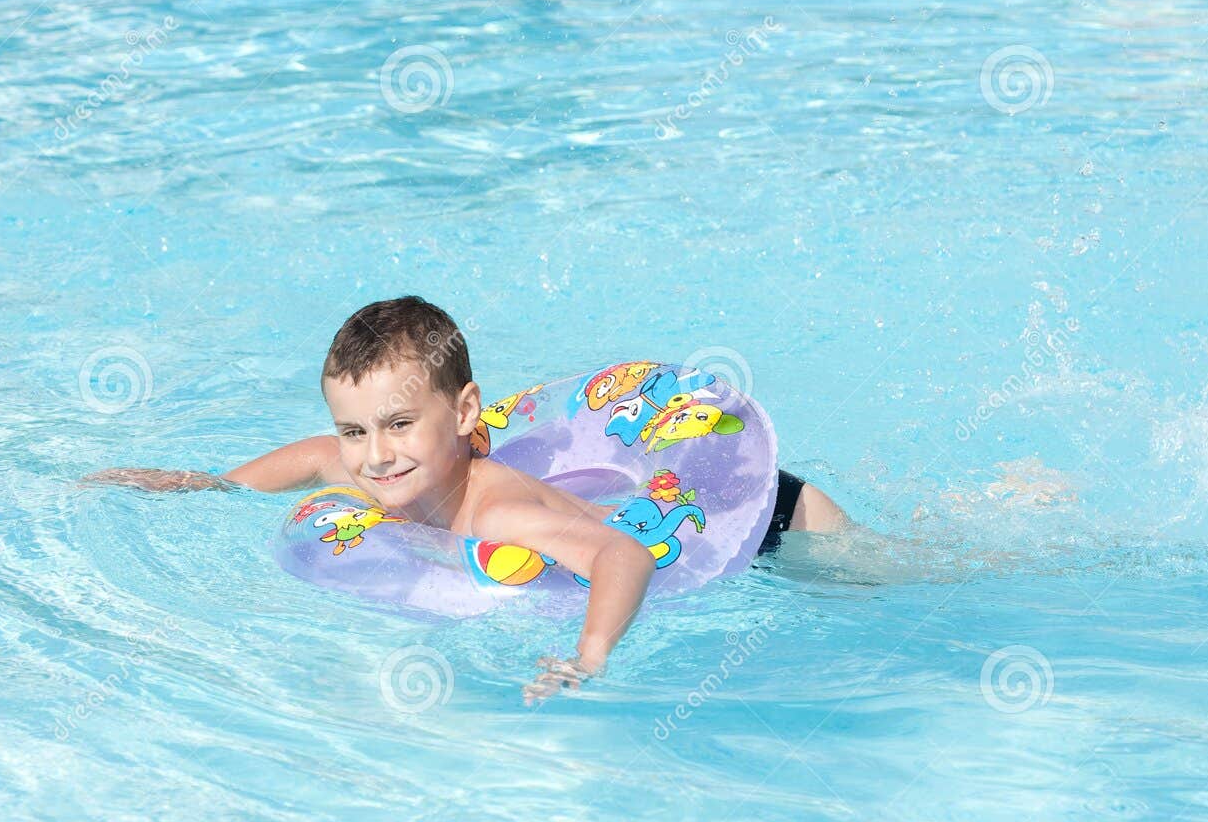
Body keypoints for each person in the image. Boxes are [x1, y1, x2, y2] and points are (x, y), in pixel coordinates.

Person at [84, 296, 851, 702]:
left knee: (887, 580)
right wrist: (195, 484)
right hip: (699, 512)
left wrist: (590, 655)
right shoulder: (371, 469)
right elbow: (314, 459)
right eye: (356, 429)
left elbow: (622, 553)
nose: (375, 455)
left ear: (463, 412)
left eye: (399, 424)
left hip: (766, 525)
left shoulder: (496, 513)